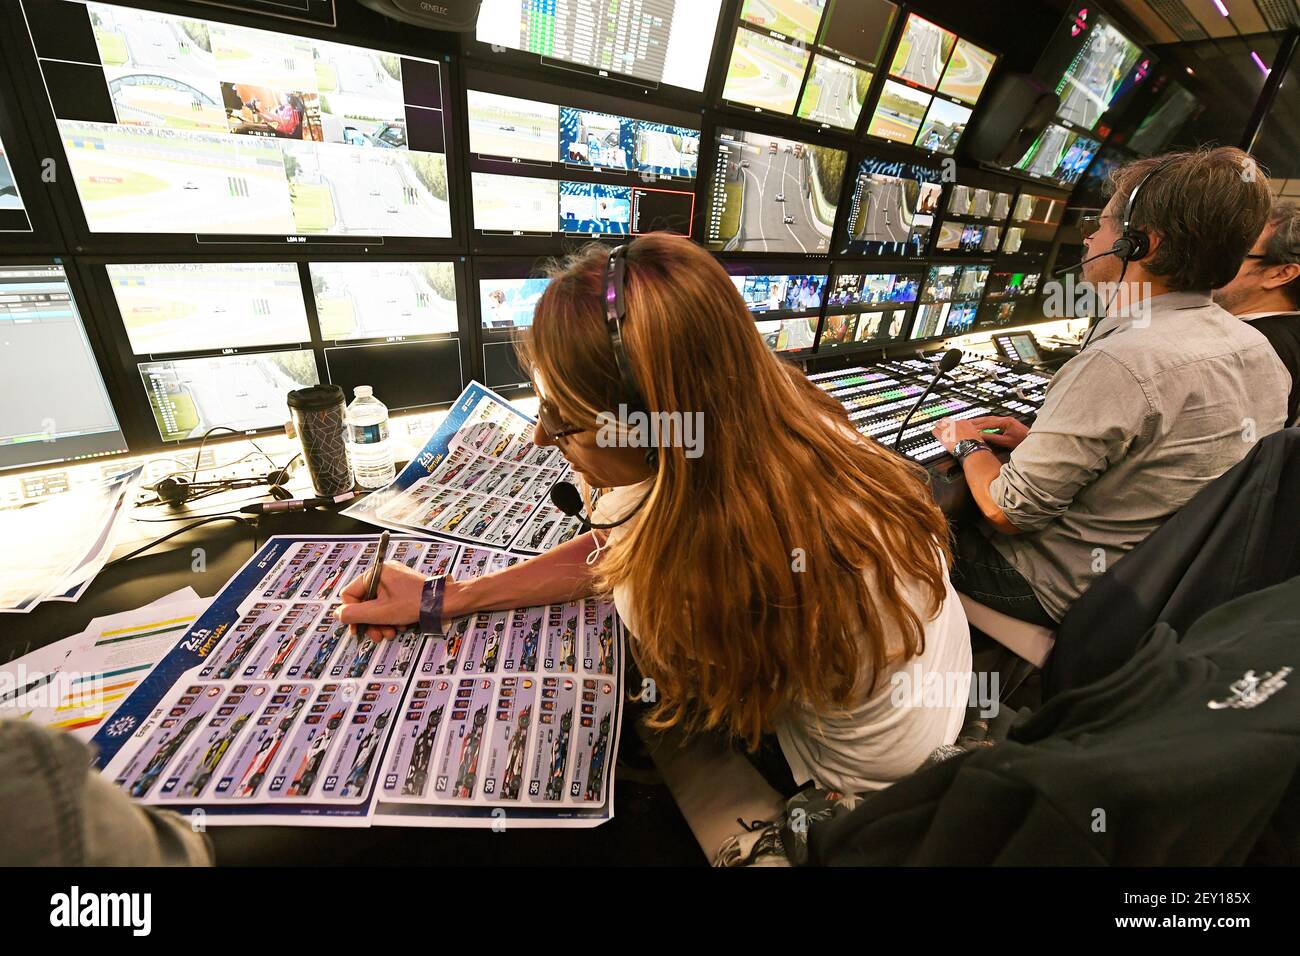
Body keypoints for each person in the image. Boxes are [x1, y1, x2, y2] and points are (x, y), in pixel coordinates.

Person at [337, 233, 971, 798]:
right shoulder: (788, 408)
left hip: (863, 778)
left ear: (648, 431)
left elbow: (628, 563)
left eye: (563, 418)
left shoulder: (697, 578)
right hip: (944, 696)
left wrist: (595, 498)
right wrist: (449, 596)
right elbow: (627, 543)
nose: (539, 437)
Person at [932, 147, 1290, 626]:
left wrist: (968, 443)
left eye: (1101, 225)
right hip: (1150, 587)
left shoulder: (1123, 361)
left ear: (1140, 245)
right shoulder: (1258, 350)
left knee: (887, 528)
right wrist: (1035, 443)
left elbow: (1007, 512)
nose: (1089, 236)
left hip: (1048, 585)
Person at [1213, 199, 1300, 426]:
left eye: (1236, 252)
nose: (1210, 259)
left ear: (1281, 274)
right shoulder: (1285, 336)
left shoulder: (1250, 348)